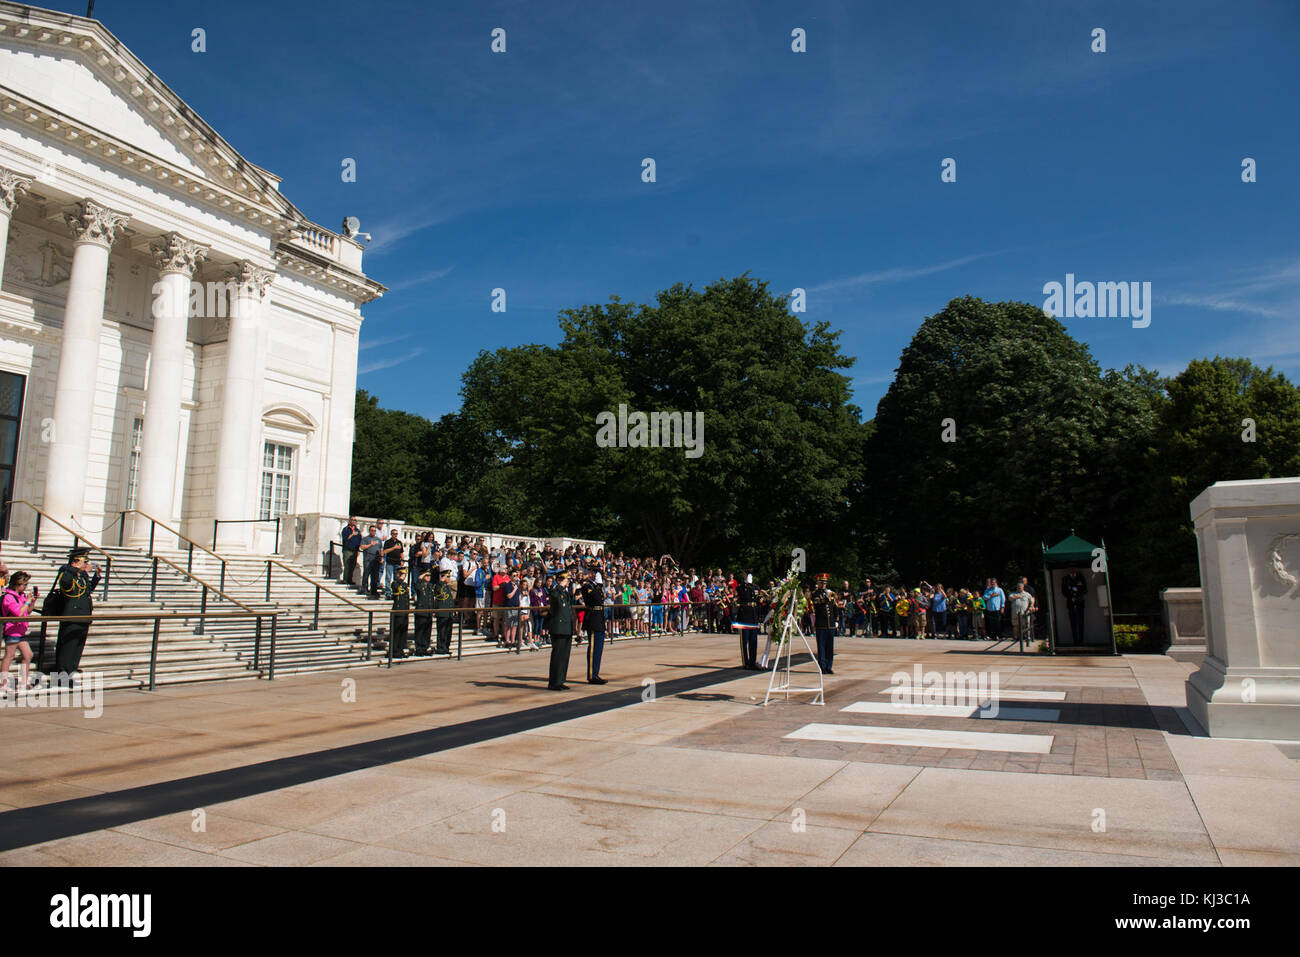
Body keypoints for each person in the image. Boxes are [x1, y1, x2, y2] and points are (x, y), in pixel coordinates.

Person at [49, 548, 100, 686]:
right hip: (72, 616)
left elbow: (87, 590)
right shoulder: (67, 574)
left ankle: (70, 673)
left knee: (77, 648)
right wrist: (73, 569)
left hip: (83, 616)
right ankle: (62, 676)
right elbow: (65, 583)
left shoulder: (81, 576)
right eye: (85, 561)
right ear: (75, 562)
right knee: (68, 648)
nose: (87, 564)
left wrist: (96, 576)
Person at [1, 571, 38, 695]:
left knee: (28, 655)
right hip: (11, 630)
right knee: (9, 656)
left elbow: (27, 611)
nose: (26, 587)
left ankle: (24, 681)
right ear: (18, 584)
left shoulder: (21, 596)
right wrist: (27, 601)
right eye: (25, 584)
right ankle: (4, 683)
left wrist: (32, 602)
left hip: (21, 631)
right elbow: (18, 613)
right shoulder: (8, 597)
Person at [546, 567, 577, 690]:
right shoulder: (555, 591)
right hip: (558, 627)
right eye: (566, 579)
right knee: (557, 656)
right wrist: (560, 585)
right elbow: (555, 600)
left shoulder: (564, 592)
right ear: (559, 580)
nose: (568, 582)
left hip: (566, 627)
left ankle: (561, 680)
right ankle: (553, 682)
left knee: (565, 656)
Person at [581, 570, 607, 684]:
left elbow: (602, 599)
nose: (595, 575)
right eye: (594, 572)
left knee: (599, 649)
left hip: (599, 618)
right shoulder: (587, 586)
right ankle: (592, 675)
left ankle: (596, 673)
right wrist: (599, 586)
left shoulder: (596, 586)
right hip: (592, 619)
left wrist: (599, 586)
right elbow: (594, 599)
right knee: (593, 649)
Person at [734, 572, 761, 670]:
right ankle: (746, 662)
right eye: (748, 575)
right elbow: (739, 598)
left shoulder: (755, 587)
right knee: (744, 640)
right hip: (744, 615)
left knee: (753, 640)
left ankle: (753, 662)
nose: (750, 577)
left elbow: (758, 602)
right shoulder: (741, 587)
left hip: (753, 615)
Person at [811, 572, 835, 674]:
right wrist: (826, 598)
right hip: (821, 623)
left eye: (825, 583)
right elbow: (817, 605)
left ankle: (829, 666)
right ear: (818, 583)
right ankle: (823, 666)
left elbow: (833, 607)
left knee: (830, 647)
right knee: (821, 646)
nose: (824, 585)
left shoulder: (829, 593)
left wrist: (836, 620)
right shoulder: (815, 594)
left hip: (830, 623)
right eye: (822, 583)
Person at [389, 565, 411, 658]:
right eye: (402, 574)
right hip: (398, 610)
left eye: (404, 575)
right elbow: (396, 590)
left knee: (403, 632)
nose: (403, 576)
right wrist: (400, 579)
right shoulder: (395, 583)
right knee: (396, 632)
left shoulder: (405, 585)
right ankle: (394, 650)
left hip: (405, 610)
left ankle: (400, 649)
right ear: (398, 574)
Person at [1062, 568, 1088, 644]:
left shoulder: (1081, 577)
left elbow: (1085, 590)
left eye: (1074, 568)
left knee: (1081, 622)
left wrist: (1078, 595)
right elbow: (1063, 591)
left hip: (1080, 602)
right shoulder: (1065, 578)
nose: (1072, 570)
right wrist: (1071, 596)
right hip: (1071, 603)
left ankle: (1081, 640)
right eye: (1071, 568)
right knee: (1073, 623)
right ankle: (1075, 640)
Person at [412, 568, 435, 656]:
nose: (429, 577)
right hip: (421, 611)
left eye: (429, 575)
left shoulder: (429, 586)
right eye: (427, 575)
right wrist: (420, 577)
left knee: (427, 631)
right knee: (420, 631)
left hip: (428, 611)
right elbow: (416, 585)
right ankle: (419, 649)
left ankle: (425, 647)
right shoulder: (420, 585)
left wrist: (432, 610)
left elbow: (431, 599)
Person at [434, 567, 456, 655]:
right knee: (442, 632)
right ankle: (440, 647)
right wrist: (441, 581)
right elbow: (438, 591)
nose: (449, 578)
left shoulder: (447, 587)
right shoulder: (439, 585)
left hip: (449, 613)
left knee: (448, 632)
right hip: (442, 613)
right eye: (448, 576)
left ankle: (446, 647)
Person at [359, 524, 382, 596]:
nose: (373, 532)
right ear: (369, 531)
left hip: (376, 560)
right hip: (368, 559)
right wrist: (370, 545)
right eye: (372, 530)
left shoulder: (378, 539)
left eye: (374, 531)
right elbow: (362, 547)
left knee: (375, 576)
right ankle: (364, 589)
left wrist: (381, 558)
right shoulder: (365, 539)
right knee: (366, 574)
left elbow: (381, 549)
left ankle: (374, 590)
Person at [380, 530, 404, 598]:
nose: (395, 535)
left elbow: (401, 552)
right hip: (390, 561)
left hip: (397, 562)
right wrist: (394, 548)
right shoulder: (388, 542)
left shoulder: (399, 542)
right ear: (391, 534)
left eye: (396, 534)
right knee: (388, 577)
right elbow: (385, 551)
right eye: (394, 534)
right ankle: (388, 592)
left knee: (396, 578)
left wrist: (402, 560)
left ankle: (395, 591)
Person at [339, 517, 361, 588]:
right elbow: (345, 539)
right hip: (347, 549)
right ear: (349, 521)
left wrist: (358, 550)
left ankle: (350, 579)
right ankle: (345, 579)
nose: (353, 521)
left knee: (353, 565)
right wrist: (352, 534)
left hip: (355, 550)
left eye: (355, 520)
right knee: (347, 564)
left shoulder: (357, 530)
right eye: (352, 520)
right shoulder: (346, 529)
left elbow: (359, 541)